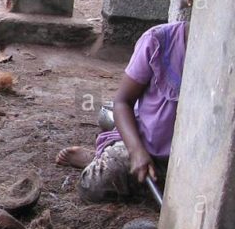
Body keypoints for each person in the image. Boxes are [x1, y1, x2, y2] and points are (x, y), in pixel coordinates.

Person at [56, 19, 189, 202]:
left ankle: (110, 161)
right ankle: (102, 157)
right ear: (189, 0)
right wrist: (136, 151)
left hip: (191, 166)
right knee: (94, 186)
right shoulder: (159, 40)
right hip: (147, 151)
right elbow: (122, 102)